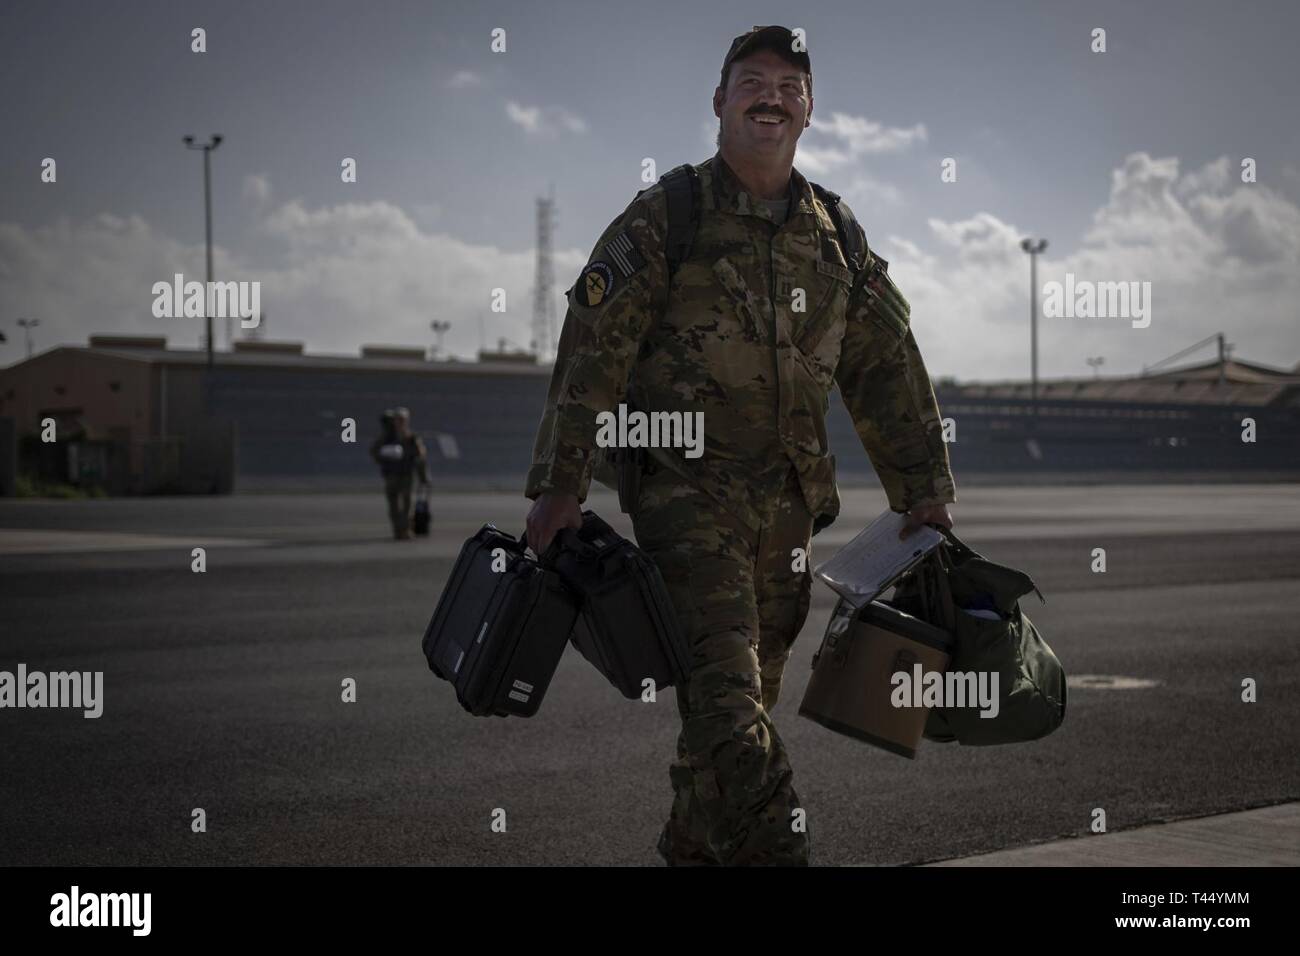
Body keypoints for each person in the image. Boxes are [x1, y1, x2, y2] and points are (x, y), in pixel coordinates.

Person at [524, 25, 956, 866]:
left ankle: (692, 849)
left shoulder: (838, 237)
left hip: (789, 514)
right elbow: (593, 347)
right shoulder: (667, 216)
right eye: (753, 81)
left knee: (732, 715)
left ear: (810, 110)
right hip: (687, 499)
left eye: (790, 86)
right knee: (727, 707)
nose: (772, 96)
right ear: (720, 101)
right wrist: (559, 484)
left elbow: (886, 366)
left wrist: (923, 488)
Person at [370, 407, 430, 540]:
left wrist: (423, 477)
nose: (400, 422)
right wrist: (385, 456)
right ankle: (398, 530)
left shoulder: (411, 438)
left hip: (406, 475)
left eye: (402, 420)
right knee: (394, 506)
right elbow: (374, 452)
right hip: (391, 475)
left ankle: (405, 530)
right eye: (398, 419)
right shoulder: (386, 438)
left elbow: (421, 457)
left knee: (407, 505)